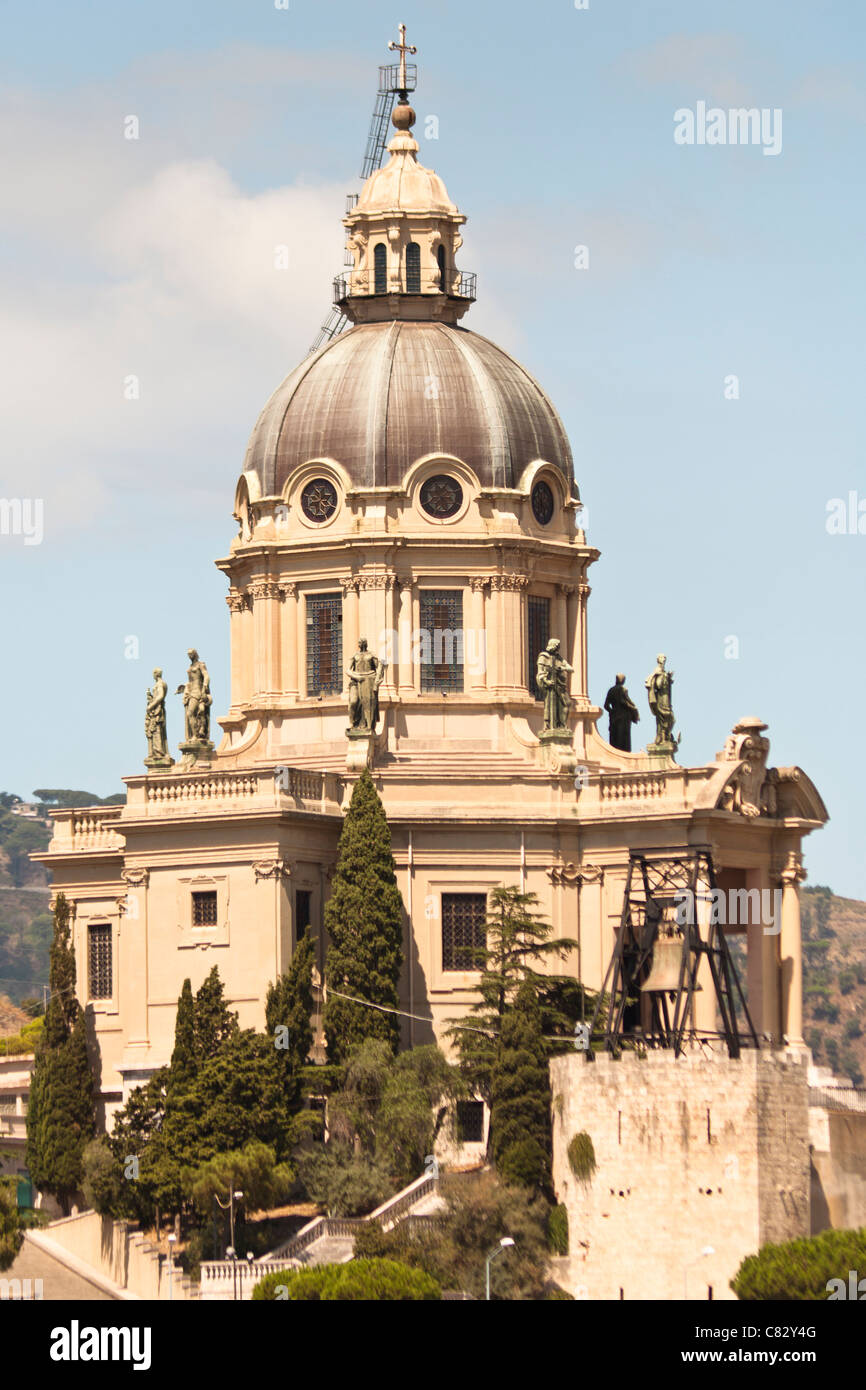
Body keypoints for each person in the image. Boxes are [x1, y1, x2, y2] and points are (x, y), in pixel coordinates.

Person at [347, 638, 384, 733]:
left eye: (360, 642)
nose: (359, 643)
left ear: (365, 643)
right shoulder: (355, 655)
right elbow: (348, 670)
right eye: (359, 642)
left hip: (368, 680)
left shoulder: (371, 655)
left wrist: (376, 682)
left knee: (368, 703)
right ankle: (352, 722)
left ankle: (368, 724)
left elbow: (378, 668)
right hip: (356, 680)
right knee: (353, 702)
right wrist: (355, 676)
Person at [536, 638, 573, 732]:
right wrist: (546, 681)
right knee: (550, 706)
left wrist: (561, 667)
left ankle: (562, 725)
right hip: (549, 686)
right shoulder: (543, 657)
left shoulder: (559, 658)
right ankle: (549, 725)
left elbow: (570, 669)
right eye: (557, 646)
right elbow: (540, 673)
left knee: (566, 704)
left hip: (560, 686)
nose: (558, 648)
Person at [604, 673, 639, 751]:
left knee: (614, 737)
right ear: (622, 680)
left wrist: (612, 711)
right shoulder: (623, 689)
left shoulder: (611, 690)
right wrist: (634, 708)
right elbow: (625, 702)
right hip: (624, 717)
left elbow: (606, 705)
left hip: (614, 717)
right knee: (623, 737)